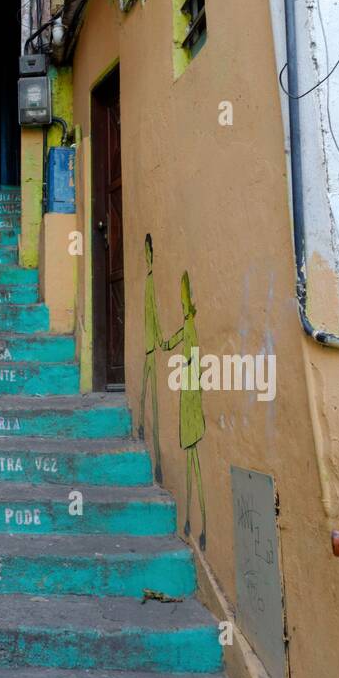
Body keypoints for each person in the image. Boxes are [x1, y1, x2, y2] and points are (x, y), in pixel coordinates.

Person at [164, 271, 207, 550]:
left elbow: (177, 341)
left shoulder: (189, 326)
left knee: (194, 465)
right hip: (189, 397)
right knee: (193, 463)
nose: (181, 306)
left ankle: (196, 520)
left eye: (183, 301)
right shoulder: (188, 325)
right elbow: (173, 342)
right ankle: (194, 520)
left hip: (191, 399)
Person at [139, 233, 165, 483]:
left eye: (149, 252)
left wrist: (160, 341)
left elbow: (154, 315)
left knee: (150, 390)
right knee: (149, 389)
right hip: (148, 344)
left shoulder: (149, 280)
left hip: (150, 344)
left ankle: (143, 428)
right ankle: (142, 427)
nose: (147, 256)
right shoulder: (148, 281)